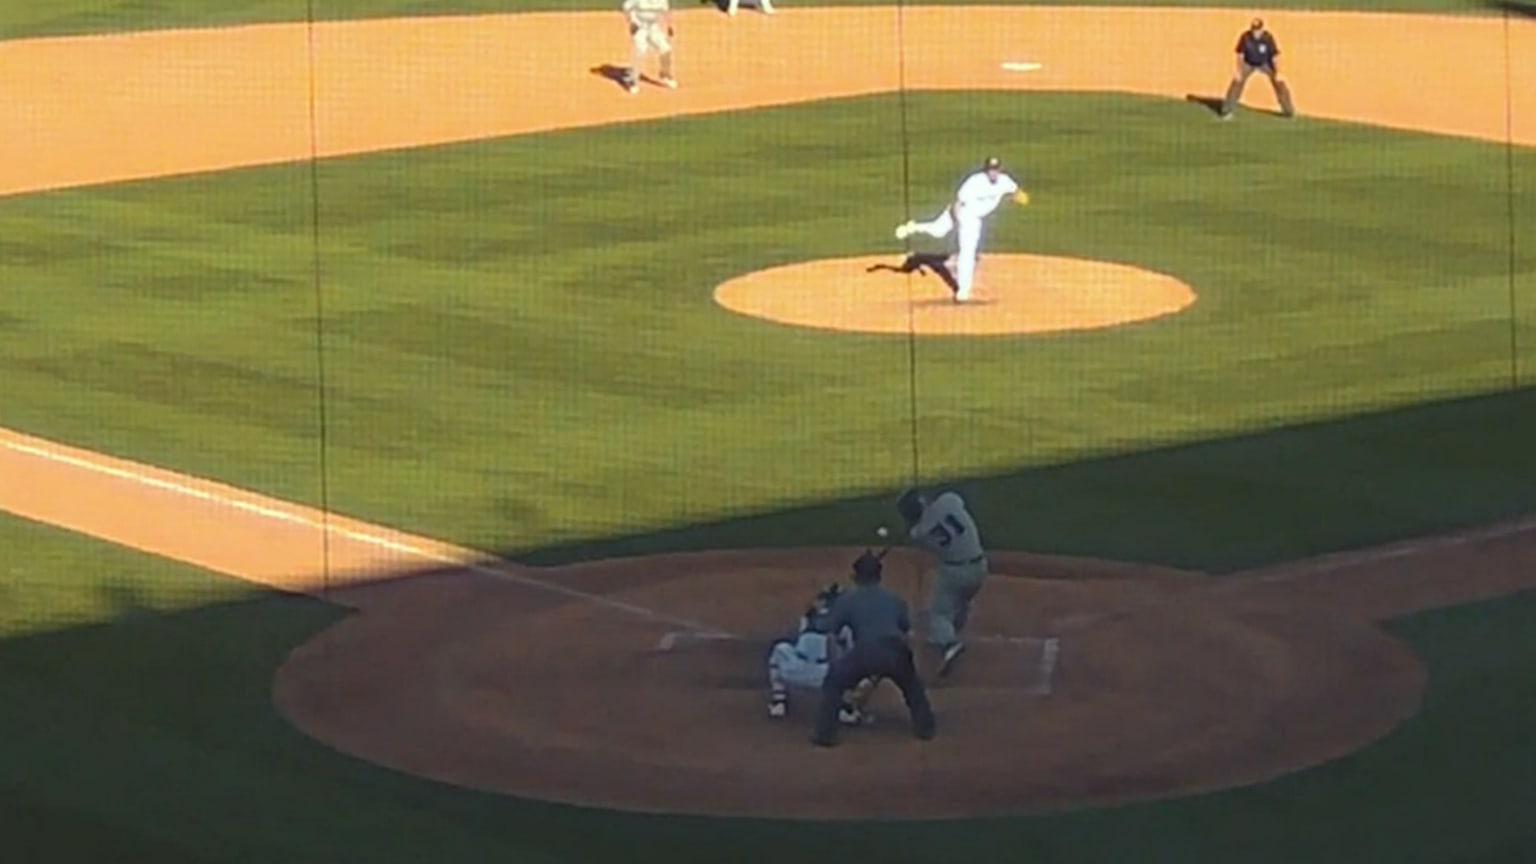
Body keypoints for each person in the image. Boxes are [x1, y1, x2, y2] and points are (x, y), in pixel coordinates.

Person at [810, 551, 936, 747]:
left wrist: (815, 615)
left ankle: (825, 734)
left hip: (865, 653)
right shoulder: (895, 599)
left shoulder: (847, 600)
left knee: (834, 683)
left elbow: (829, 628)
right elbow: (906, 629)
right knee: (912, 686)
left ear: (856, 576)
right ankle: (925, 728)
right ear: (879, 576)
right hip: (895, 651)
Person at [893, 157, 1028, 303]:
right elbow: (957, 203)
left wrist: (1019, 197)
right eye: (990, 170)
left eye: (995, 170)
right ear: (986, 170)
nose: (993, 173)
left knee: (967, 251)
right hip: (960, 211)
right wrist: (958, 221)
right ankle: (913, 227)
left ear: (1000, 170)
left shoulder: (1005, 181)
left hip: (973, 220)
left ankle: (963, 291)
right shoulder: (975, 182)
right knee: (937, 231)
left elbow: (1016, 192)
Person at [897, 487, 988, 678]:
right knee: (960, 600)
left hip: (955, 573)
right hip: (980, 567)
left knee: (938, 612)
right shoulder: (948, 500)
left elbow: (914, 532)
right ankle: (951, 632)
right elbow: (952, 506)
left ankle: (949, 643)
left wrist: (910, 523)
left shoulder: (919, 532)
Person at [764, 583, 876, 725]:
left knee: (779, 649)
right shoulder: (846, 622)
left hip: (794, 671)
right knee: (864, 664)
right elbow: (853, 649)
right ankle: (846, 709)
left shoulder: (807, 618)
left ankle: (778, 702)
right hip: (826, 677)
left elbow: (799, 638)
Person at [1219, 17, 1295, 119]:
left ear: (1262, 29)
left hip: (1265, 63)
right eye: (1254, 30)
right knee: (1237, 82)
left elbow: (1274, 56)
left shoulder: (1268, 38)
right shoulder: (1245, 37)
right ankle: (1226, 110)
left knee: (1279, 83)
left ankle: (1288, 111)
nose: (1256, 32)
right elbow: (1240, 55)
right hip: (1248, 63)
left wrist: (1278, 72)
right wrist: (1239, 71)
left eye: (1258, 30)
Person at [621, 0, 675, 93]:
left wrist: (669, 26)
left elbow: (666, 12)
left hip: (653, 27)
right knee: (640, 49)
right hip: (639, 26)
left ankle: (665, 74)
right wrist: (632, 22)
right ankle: (632, 79)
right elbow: (626, 7)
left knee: (665, 49)